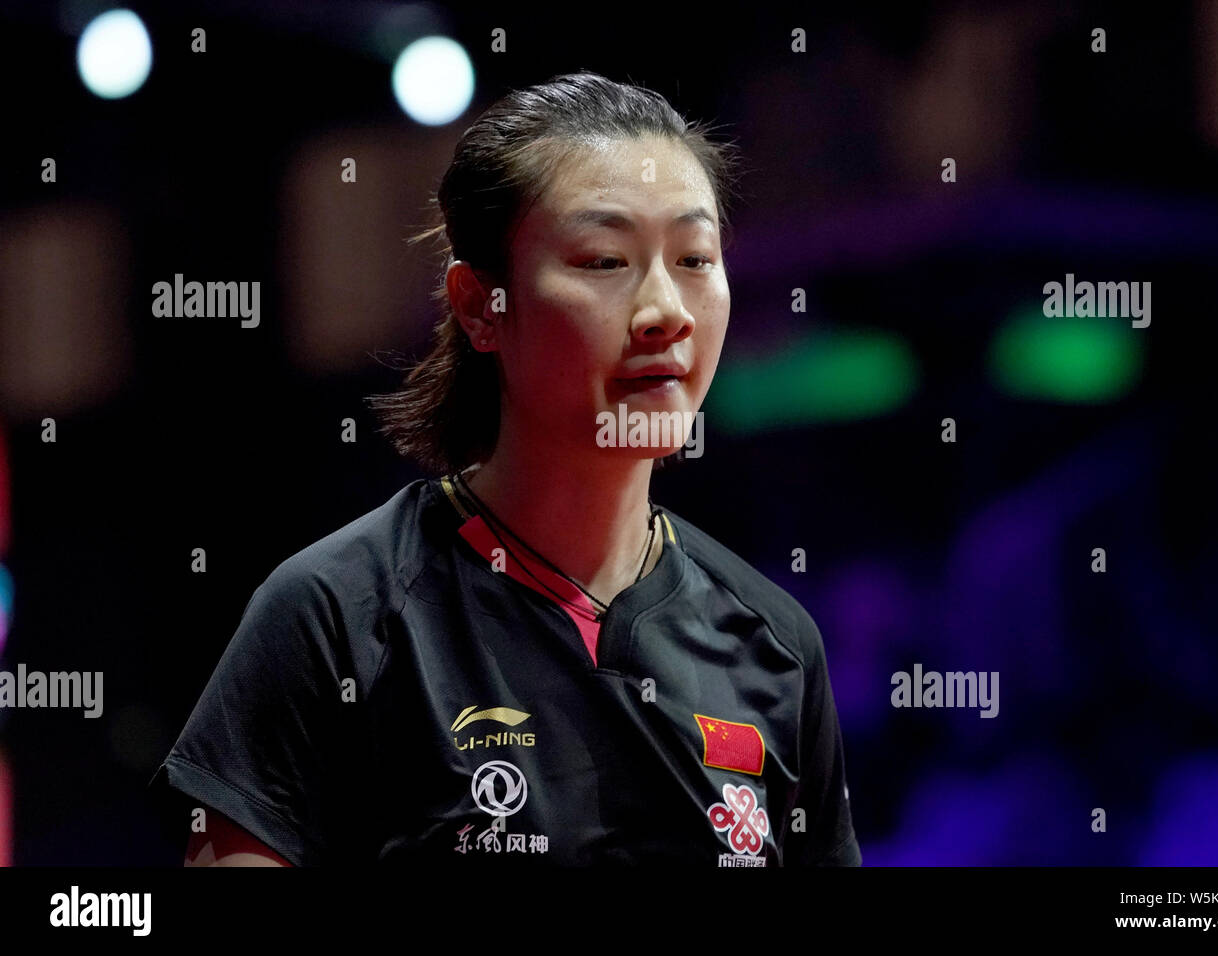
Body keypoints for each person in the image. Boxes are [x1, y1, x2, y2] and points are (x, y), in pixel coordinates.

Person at [148, 70, 861, 867]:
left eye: (695, 258)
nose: (667, 310)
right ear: (479, 305)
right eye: (603, 260)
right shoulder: (335, 616)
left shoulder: (776, 644)